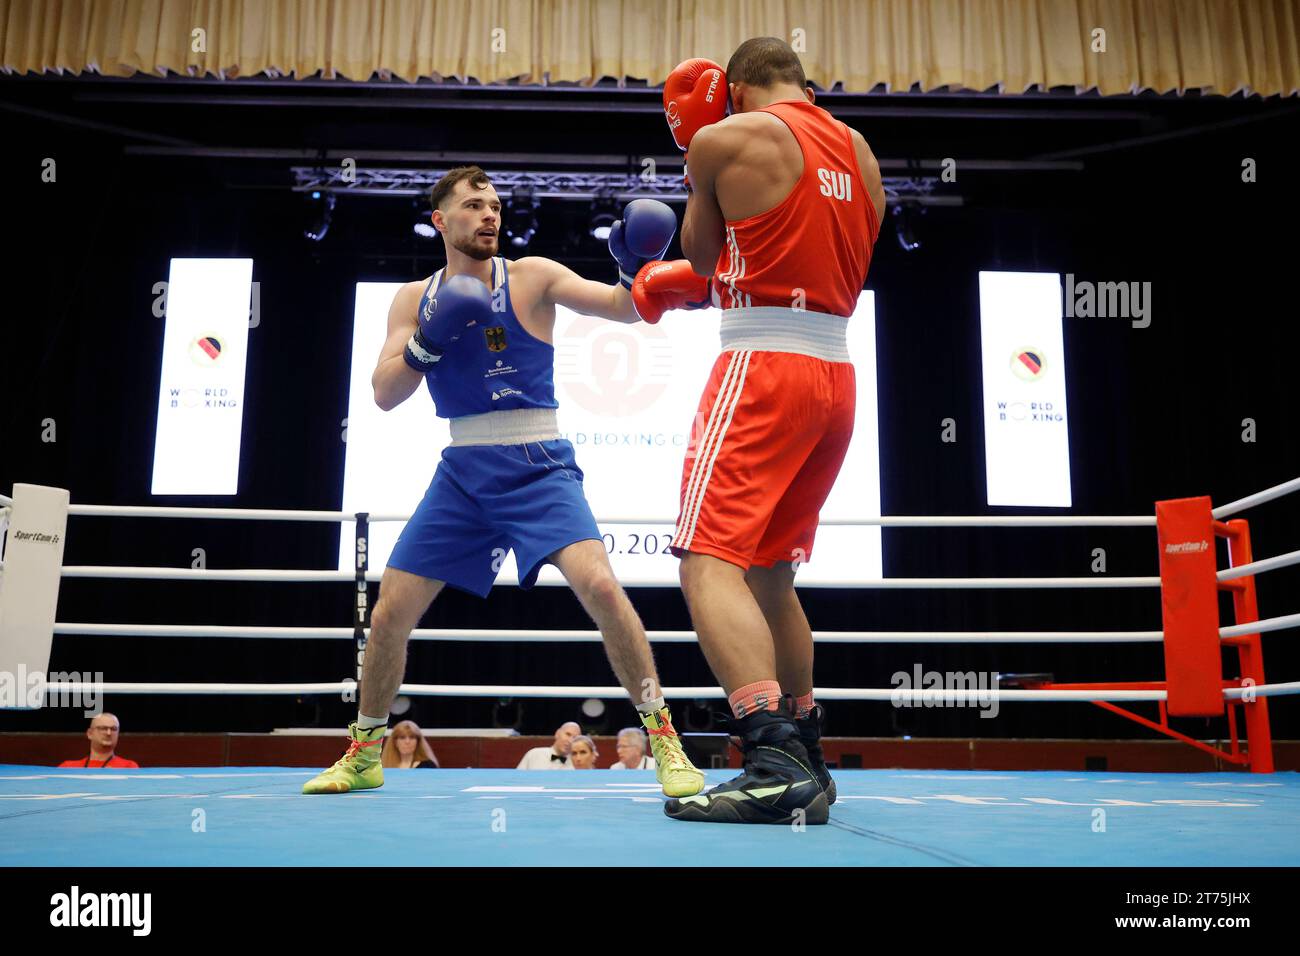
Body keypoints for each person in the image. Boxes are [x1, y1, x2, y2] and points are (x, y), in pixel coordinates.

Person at [304, 166, 703, 799]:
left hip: (539, 458)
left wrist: (634, 269)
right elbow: (383, 395)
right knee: (388, 614)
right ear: (441, 220)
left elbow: (626, 310)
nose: (490, 215)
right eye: (473, 205)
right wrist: (427, 345)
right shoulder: (414, 298)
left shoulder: (533, 276)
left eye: (494, 205)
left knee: (601, 584)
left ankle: (663, 740)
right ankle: (364, 752)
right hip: (463, 467)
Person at [633, 38, 884, 824]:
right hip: (837, 374)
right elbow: (812, 255)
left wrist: (670, 275)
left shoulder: (724, 138)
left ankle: (770, 758)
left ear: (735, 86)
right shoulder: (862, 150)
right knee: (771, 572)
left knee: (708, 562)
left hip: (763, 365)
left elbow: (703, 258)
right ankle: (807, 753)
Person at [57, 713, 140, 768]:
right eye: (103, 728)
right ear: (90, 733)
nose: (108, 733)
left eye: (113, 729)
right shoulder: (68, 767)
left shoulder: (129, 767)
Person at [516, 721, 580, 770]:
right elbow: (516, 780)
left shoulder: (577, 763)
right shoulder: (534, 754)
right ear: (557, 733)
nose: (570, 741)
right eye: (568, 734)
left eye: (575, 738)